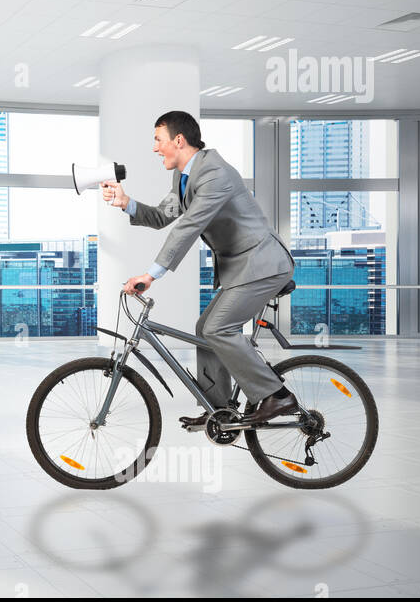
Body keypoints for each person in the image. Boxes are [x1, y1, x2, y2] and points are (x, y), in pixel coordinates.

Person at [100, 110, 300, 428]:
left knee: (218, 329)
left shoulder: (215, 173)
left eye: (158, 140)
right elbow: (163, 216)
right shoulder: (184, 177)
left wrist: (150, 275)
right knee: (204, 330)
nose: (154, 148)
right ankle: (219, 408)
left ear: (178, 140)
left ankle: (277, 395)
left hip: (263, 265)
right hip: (242, 268)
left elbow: (189, 226)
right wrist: (127, 203)